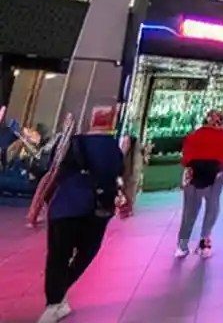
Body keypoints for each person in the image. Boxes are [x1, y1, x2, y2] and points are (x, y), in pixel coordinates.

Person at [38, 107, 125, 323]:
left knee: (57, 256)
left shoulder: (70, 142)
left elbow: (51, 169)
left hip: (64, 206)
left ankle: (54, 302)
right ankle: (60, 293)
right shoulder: (114, 149)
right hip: (96, 209)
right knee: (87, 252)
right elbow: (118, 175)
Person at [176, 110, 223, 259]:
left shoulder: (193, 135)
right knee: (212, 209)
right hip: (215, 178)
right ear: (222, 121)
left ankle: (182, 246)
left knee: (188, 213)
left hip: (193, 177)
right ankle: (204, 245)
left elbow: (185, 159)